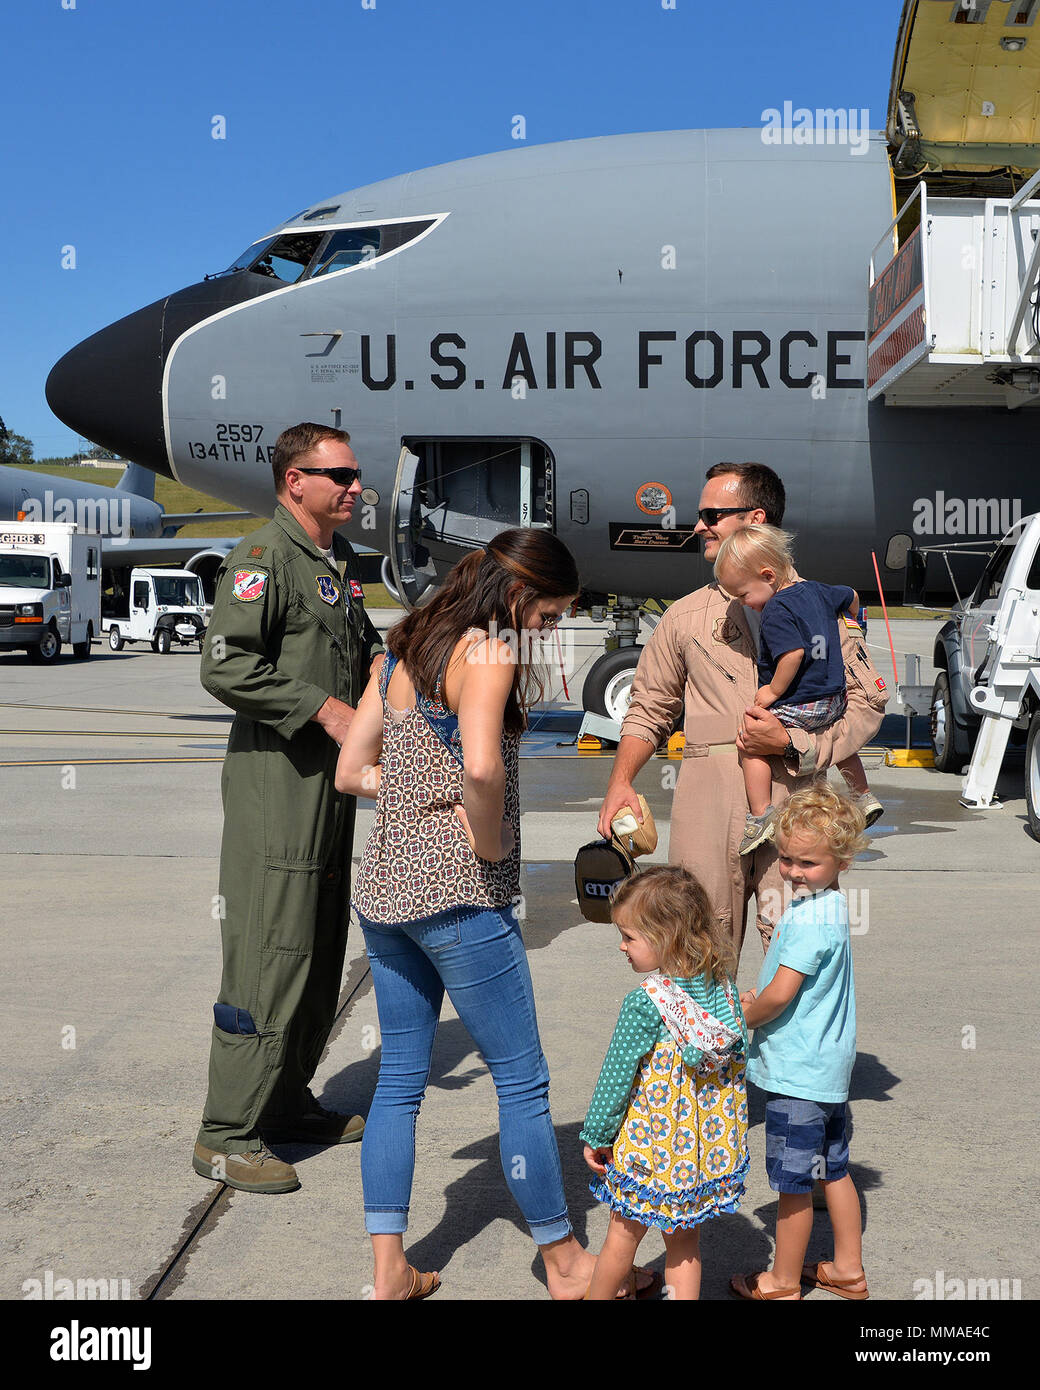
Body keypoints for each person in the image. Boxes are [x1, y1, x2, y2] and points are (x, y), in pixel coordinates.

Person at [338, 530, 656, 1300]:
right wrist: (489, 837)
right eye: (548, 616)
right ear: (518, 595)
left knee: (399, 1083)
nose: (546, 631)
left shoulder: (403, 650)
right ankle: (565, 1264)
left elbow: (352, 771)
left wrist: (415, 797)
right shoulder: (485, 652)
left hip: (386, 893)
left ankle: (390, 1270)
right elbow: (480, 764)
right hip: (460, 897)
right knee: (522, 1082)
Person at [192, 422, 384, 1195]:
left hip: (327, 788)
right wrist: (327, 711)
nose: (352, 486)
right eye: (336, 473)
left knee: (316, 941)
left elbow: (365, 649)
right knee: (271, 949)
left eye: (355, 472)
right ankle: (226, 1132)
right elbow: (225, 662)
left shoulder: (333, 566)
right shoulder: (263, 558)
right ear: (292, 481)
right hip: (279, 784)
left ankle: (285, 1100)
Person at [597, 461, 887, 959]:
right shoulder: (684, 616)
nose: (697, 525)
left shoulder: (823, 607)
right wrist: (620, 783)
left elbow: (865, 703)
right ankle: (707, 1040)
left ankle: (792, 1041)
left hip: (798, 796)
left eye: (712, 514)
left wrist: (799, 744)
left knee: (799, 946)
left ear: (755, 519)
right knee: (696, 943)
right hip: (705, 799)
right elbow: (649, 709)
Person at [581, 866, 749, 1300]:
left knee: (623, 1233)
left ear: (668, 936)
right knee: (685, 1241)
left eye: (629, 936)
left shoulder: (645, 1002)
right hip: (700, 1151)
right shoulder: (725, 989)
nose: (622, 946)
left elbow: (615, 1078)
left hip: (651, 1145)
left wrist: (598, 1135)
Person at [731, 784, 869, 1300]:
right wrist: (762, 994)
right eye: (785, 858)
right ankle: (847, 1269)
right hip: (827, 1074)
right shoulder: (832, 906)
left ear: (843, 859)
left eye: (806, 862)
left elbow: (781, 997)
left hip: (796, 1077)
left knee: (792, 1186)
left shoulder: (808, 918)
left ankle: (783, 1281)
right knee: (833, 1172)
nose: (791, 871)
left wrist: (747, 1011)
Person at [713, 524, 882, 855]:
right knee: (840, 741)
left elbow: (793, 655)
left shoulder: (776, 609)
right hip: (834, 696)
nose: (745, 604)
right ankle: (862, 795)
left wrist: (772, 693)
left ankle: (761, 815)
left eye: (745, 595)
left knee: (751, 740)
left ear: (768, 576)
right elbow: (852, 597)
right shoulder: (818, 591)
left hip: (803, 700)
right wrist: (851, 622)